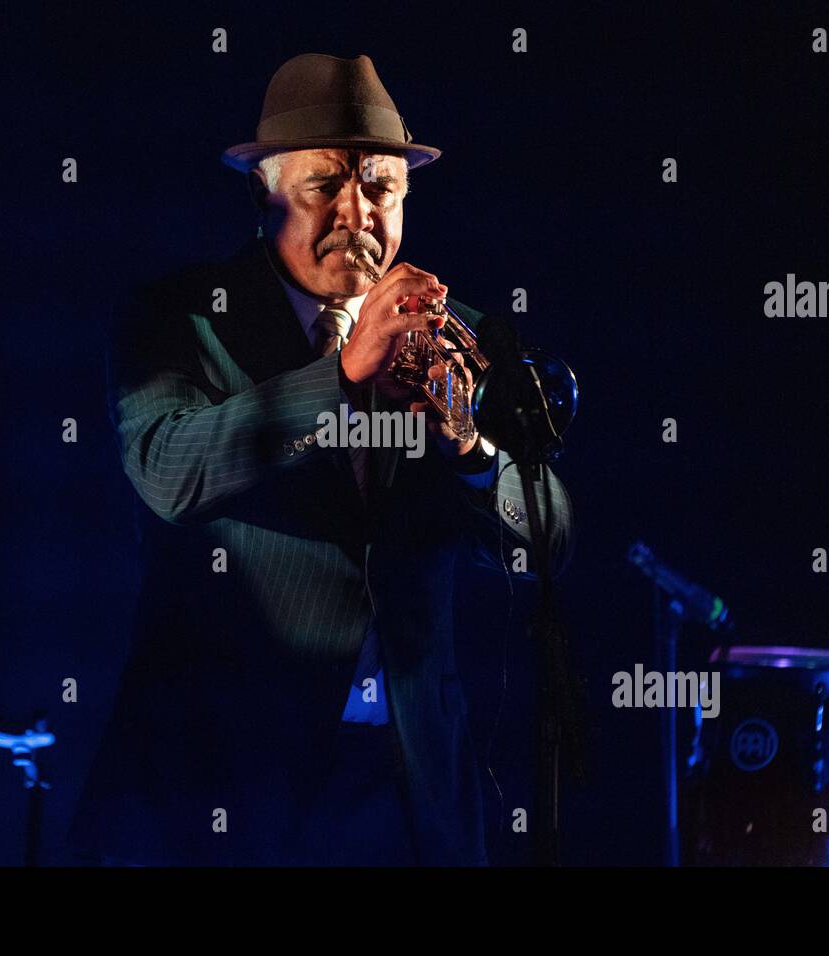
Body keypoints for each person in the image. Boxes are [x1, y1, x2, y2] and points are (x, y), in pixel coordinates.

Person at [69, 53, 574, 866]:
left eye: (380, 186)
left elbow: (548, 539)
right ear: (261, 192)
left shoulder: (458, 332)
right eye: (323, 186)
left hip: (411, 790)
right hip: (225, 785)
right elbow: (167, 469)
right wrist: (338, 376)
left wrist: (468, 449)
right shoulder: (179, 318)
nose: (356, 213)